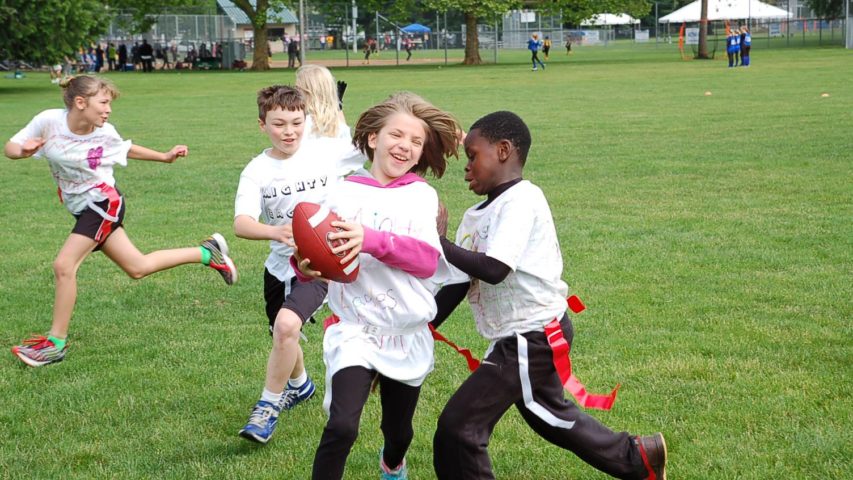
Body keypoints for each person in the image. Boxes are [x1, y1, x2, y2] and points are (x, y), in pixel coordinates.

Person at [430, 111, 667, 480]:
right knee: (549, 416)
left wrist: (441, 243)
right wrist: (417, 327)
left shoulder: (522, 200)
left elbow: (494, 268)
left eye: (473, 156)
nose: (466, 168)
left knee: (460, 428)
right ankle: (639, 458)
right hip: (523, 336)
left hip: (533, 335)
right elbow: (459, 284)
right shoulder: (475, 216)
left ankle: (637, 458)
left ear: (503, 150)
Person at [5, 75, 237, 368]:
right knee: (138, 267)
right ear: (80, 102)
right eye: (103, 103)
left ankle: (55, 345)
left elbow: (126, 149)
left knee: (64, 266)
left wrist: (165, 157)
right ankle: (207, 253)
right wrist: (23, 151)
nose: (108, 110)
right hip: (81, 208)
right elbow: (11, 147)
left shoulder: (105, 132)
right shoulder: (49, 121)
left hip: (103, 204)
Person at [299, 92, 460, 480]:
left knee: (398, 432)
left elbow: (426, 261)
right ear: (373, 138)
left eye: (416, 141)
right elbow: (316, 251)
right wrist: (305, 267)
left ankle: (393, 464)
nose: (405, 145)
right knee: (341, 427)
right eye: (397, 135)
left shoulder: (420, 196)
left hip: (406, 332)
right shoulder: (341, 191)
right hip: (355, 329)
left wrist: (370, 239)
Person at [233, 84, 363, 444]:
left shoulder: (326, 153)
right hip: (279, 268)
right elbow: (242, 223)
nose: (289, 132)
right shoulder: (257, 170)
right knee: (282, 331)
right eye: (278, 124)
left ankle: (267, 408)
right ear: (262, 125)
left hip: (320, 265)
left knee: (286, 326)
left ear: (307, 120)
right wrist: (275, 231)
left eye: (296, 122)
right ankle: (300, 385)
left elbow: (373, 145)